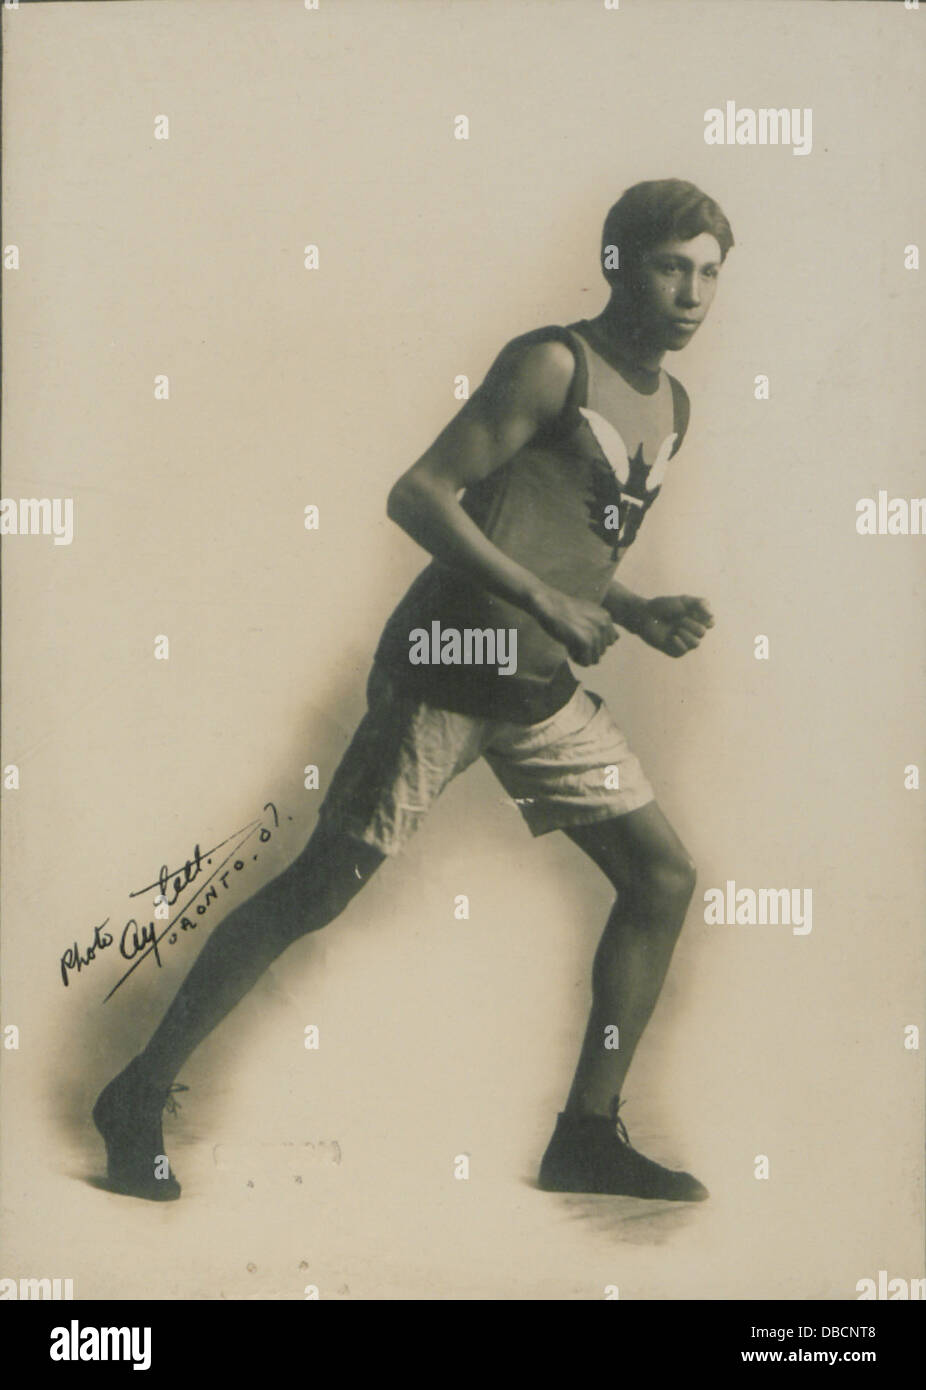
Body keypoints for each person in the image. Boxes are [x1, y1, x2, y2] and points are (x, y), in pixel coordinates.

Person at [93, 178, 734, 1204]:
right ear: (618, 264)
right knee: (319, 887)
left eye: (708, 273)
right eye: (670, 266)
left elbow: (551, 530)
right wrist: (541, 599)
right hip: (447, 665)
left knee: (659, 879)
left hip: (532, 685)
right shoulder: (551, 362)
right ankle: (136, 1094)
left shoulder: (672, 403)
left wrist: (636, 606)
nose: (692, 292)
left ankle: (584, 1133)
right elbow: (420, 494)